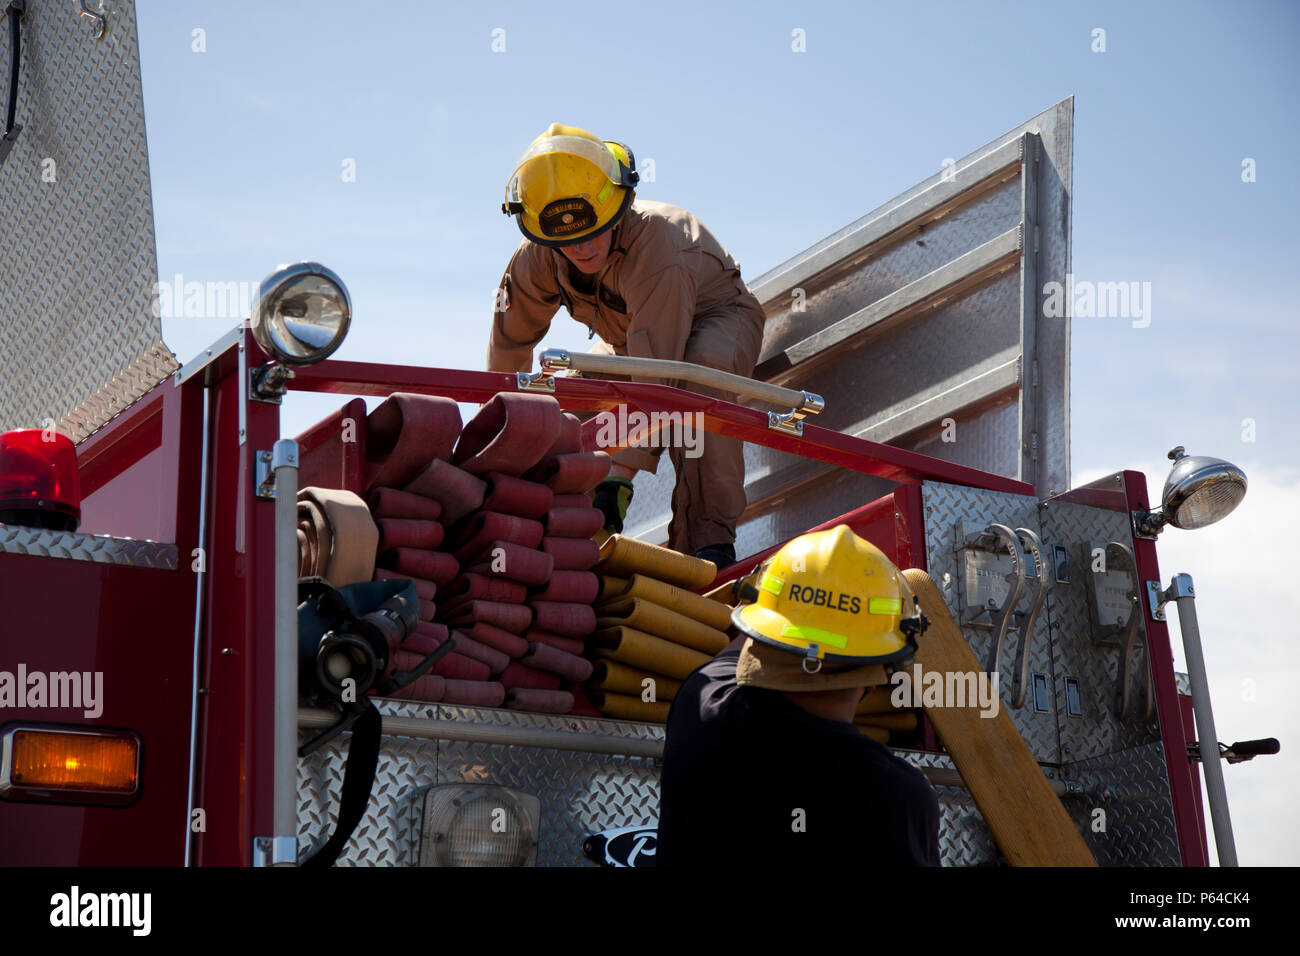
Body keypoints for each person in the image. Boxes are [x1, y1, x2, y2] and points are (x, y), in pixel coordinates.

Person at [488, 124, 766, 567]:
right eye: (565, 239)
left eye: (594, 231)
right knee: (561, 404)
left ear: (620, 207)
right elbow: (509, 348)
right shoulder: (537, 257)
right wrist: (506, 439)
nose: (580, 247)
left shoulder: (659, 244)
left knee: (697, 386)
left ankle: (707, 545)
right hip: (629, 341)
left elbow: (655, 376)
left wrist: (615, 478)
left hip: (715, 318)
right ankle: (545, 536)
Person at [656, 525, 941, 866]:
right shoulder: (897, 796)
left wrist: (791, 594)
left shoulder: (703, 705)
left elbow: (742, 649)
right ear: (879, 674)